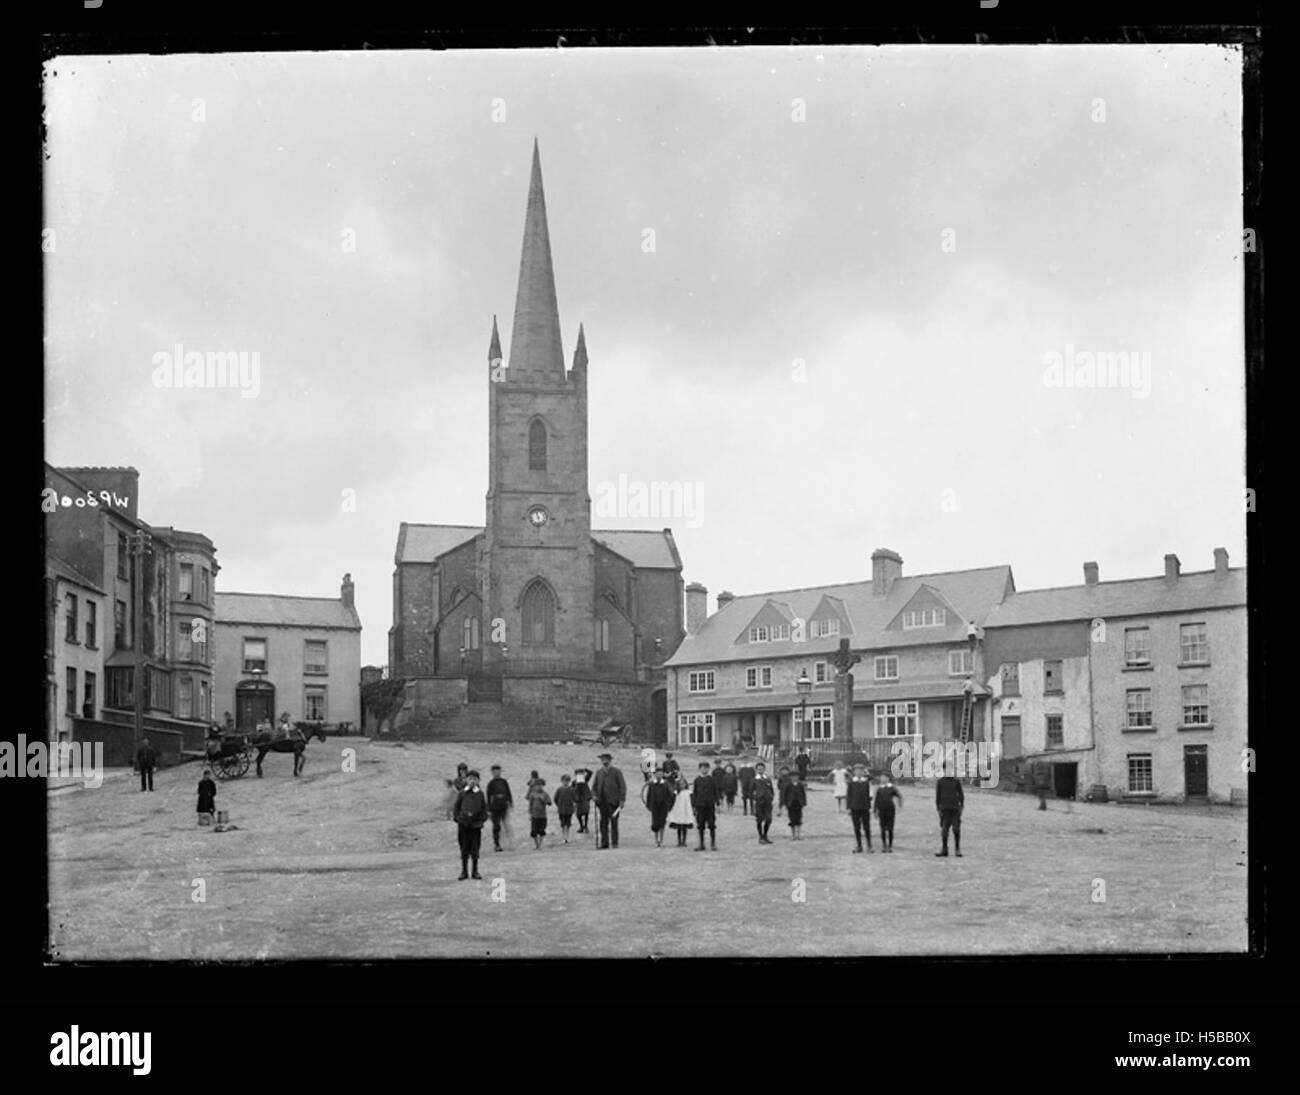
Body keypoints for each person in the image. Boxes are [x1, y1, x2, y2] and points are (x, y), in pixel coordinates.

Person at [453, 769, 488, 880]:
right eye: (470, 779)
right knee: (464, 848)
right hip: (463, 825)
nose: (472, 781)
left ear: (478, 781)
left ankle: (475, 871)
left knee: (475, 849)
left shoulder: (480, 794)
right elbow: (456, 808)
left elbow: (484, 809)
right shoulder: (462, 793)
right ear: (466, 780)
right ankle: (464, 871)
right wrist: (459, 819)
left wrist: (480, 820)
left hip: (475, 826)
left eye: (475, 779)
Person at [592, 753, 627, 850]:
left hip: (614, 801)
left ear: (610, 760)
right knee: (603, 823)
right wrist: (594, 796)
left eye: (606, 759)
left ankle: (615, 842)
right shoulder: (599, 772)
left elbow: (622, 787)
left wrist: (622, 800)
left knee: (614, 822)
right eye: (602, 759)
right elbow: (594, 786)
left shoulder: (616, 772)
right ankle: (605, 843)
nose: (604, 761)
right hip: (601, 801)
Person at [935, 765, 965, 857]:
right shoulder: (940, 782)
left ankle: (957, 849)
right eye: (946, 769)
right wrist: (938, 808)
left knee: (956, 829)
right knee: (944, 830)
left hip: (955, 809)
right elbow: (938, 796)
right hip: (944, 809)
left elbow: (961, 795)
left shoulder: (956, 782)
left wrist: (961, 806)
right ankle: (944, 849)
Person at [485, 764, 514, 852]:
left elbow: (508, 792)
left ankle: (510, 844)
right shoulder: (491, 784)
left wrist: (511, 803)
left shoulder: (504, 782)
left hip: (504, 807)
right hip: (494, 808)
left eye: (498, 771)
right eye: (495, 771)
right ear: (492, 772)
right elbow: (488, 796)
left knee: (507, 825)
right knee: (496, 826)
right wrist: (489, 809)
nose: (497, 773)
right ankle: (497, 844)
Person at [645, 766, 676, 847]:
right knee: (655, 823)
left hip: (663, 806)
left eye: (661, 774)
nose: (659, 775)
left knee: (662, 823)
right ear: (655, 775)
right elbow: (649, 795)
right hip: (654, 806)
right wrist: (649, 806)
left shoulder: (666, 783)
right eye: (657, 774)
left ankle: (661, 840)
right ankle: (656, 840)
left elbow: (670, 795)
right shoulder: (652, 784)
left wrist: (670, 806)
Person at [846, 762, 873, 853]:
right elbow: (849, 795)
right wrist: (849, 807)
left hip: (865, 807)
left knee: (867, 827)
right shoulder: (851, 782)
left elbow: (869, 794)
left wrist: (869, 806)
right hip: (854, 808)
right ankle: (859, 845)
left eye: (861, 770)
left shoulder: (866, 782)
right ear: (854, 772)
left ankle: (869, 845)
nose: (859, 772)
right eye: (857, 770)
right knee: (856, 827)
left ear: (863, 772)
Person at [692, 762, 719, 851]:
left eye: (706, 768)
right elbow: (695, 793)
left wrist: (717, 804)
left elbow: (716, 792)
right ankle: (701, 844)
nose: (704, 770)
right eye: (703, 768)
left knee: (711, 825)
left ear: (708, 769)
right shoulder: (697, 780)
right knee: (700, 825)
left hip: (710, 805)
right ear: (699, 769)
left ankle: (713, 844)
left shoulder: (712, 779)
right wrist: (693, 806)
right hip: (700, 805)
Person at [875, 775, 903, 853]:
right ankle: (884, 845)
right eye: (881, 777)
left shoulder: (892, 787)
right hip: (881, 809)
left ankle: (890, 845)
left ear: (888, 779)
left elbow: (899, 795)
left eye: (884, 777)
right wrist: (875, 810)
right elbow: (876, 800)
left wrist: (900, 804)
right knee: (882, 828)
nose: (882, 779)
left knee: (890, 828)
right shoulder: (879, 788)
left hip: (890, 809)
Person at [667, 775, 695, 846]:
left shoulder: (689, 792)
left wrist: (693, 809)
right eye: (680, 784)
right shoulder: (676, 793)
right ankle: (679, 841)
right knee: (679, 827)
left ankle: (684, 841)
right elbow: (671, 801)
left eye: (683, 784)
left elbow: (693, 802)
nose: (682, 785)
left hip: (686, 810)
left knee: (685, 827)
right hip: (678, 811)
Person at [752, 761, 776, 844]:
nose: (760, 771)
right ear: (756, 770)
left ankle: (765, 835)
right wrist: (756, 797)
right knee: (759, 820)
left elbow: (771, 790)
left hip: (768, 802)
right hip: (759, 802)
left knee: (768, 819)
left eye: (761, 769)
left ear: (764, 769)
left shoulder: (768, 779)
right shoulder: (754, 780)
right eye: (758, 769)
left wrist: (771, 797)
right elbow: (751, 791)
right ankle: (760, 836)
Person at [526, 778, 552, 850]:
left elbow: (550, 803)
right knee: (534, 831)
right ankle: (536, 844)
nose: (539, 787)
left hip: (542, 816)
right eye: (537, 785)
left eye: (540, 785)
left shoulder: (545, 794)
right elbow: (530, 805)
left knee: (541, 831)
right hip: (534, 816)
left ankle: (540, 844)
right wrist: (530, 814)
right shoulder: (532, 794)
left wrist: (544, 800)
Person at [783, 773, 807, 840]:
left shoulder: (800, 785)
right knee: (792, 819)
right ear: (790, 777)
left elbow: (803, 794)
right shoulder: (788, 785)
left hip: (799, 804)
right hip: (791, 804)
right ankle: (793, 835)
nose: (794, 778)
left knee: (799, 819)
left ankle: (799, 835)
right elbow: (785, 795)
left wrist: (804, 803)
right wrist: (785, 804)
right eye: (793, 776)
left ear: (798, 777)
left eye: (796, 776)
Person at [554, 774, 576, 843]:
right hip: (561, 809)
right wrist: (559, 805)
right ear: (562, 781)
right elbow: (555, 798)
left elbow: (574, 799)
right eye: (564, 781)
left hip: (569, 810)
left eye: (567, 781)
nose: (566, 782)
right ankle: (563, 837)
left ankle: (567, 837)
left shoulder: (571, 790)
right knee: (563, 824)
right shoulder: (559, 790)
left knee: (568, 824)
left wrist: (574, 807)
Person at [572, 768, 593, 834]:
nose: (580, 775)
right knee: (578, 814)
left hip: (585, 798)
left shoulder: (585, 779)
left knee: (586, 812)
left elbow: (591, 773)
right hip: (578, 799)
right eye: (578, 774)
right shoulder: (574, 782)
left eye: (581, 774)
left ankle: (586, 826)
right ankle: (581, 826)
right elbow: (572, 790)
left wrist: (585, 770)